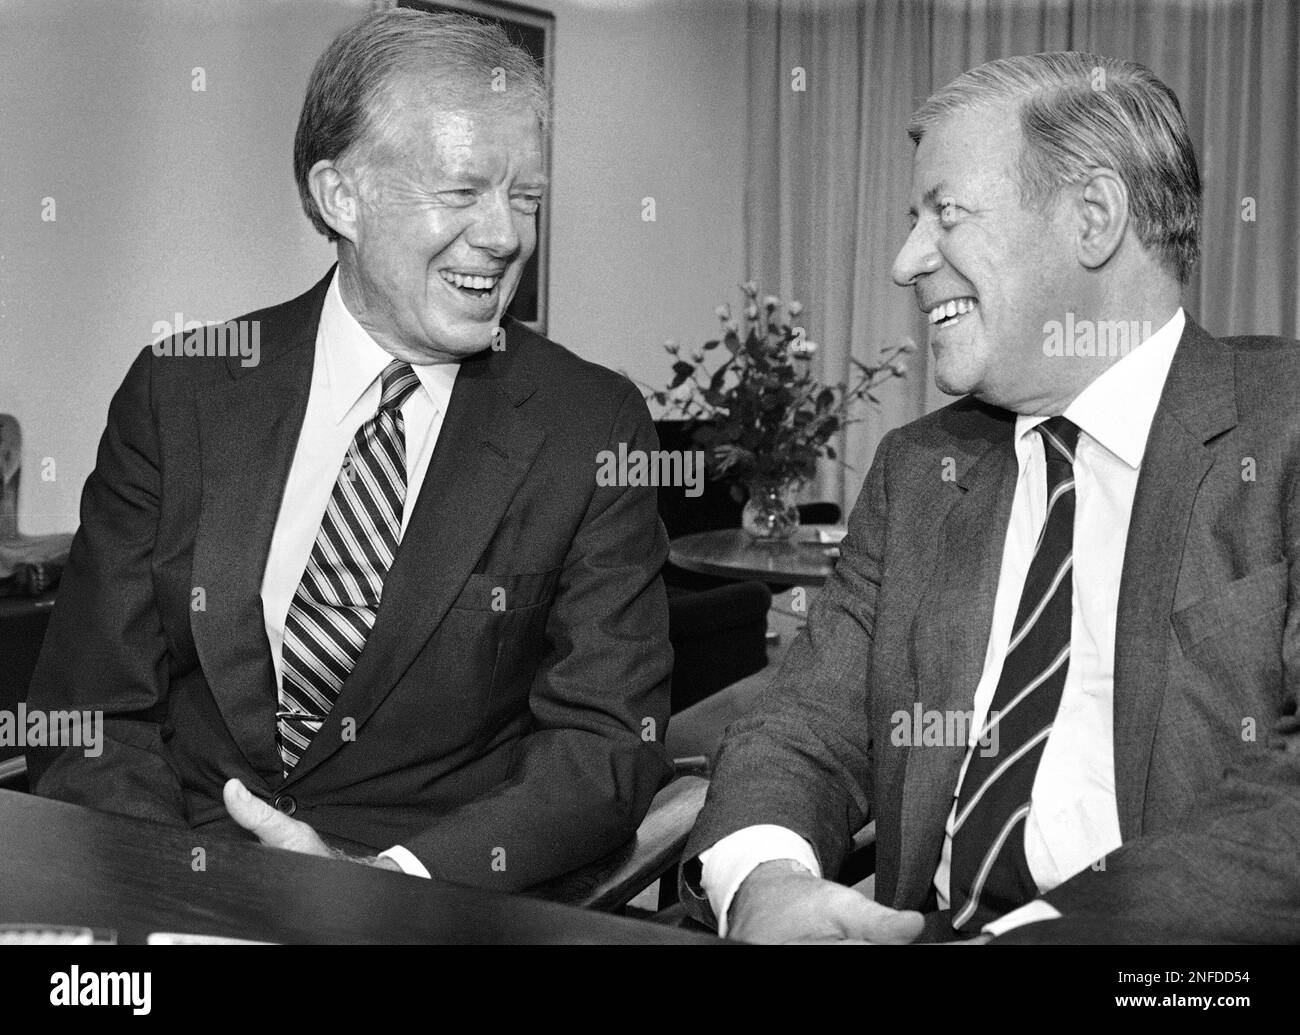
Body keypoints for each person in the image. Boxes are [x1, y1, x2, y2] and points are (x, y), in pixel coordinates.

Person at [26, 9, 673, 891]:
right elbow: (92, 716)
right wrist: (189, 888)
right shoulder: (178, 392)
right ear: (341, 198)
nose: (506, 235)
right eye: (462, 192)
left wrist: (381, 884)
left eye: (525, 198)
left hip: (431, 902)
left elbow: (603, 750)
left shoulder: (591, 424)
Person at [680, 51, 1300, 944]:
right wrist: (768, 883)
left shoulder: (1280, 432)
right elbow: (800, 727)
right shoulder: (919, 470)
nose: (904, 263)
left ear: (1093, 218)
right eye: (910, 219)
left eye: (947, 214)